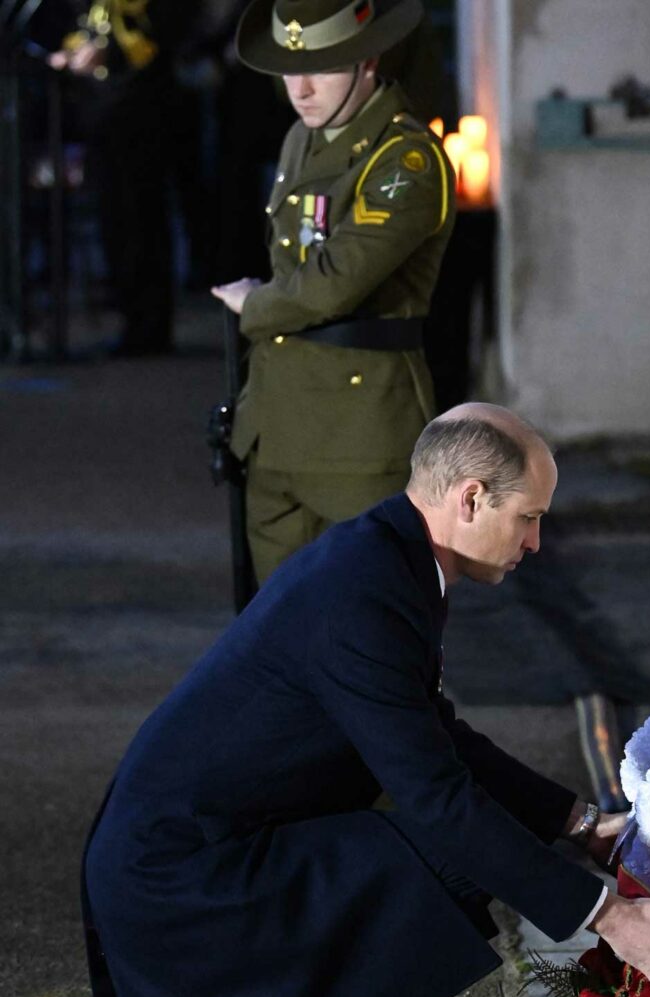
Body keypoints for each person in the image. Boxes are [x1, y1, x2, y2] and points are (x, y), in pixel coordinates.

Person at [82, 403, 650, 997]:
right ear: (468, 499)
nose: (535, 541)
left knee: (463, 842)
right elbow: (443, 800)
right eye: (528, 517)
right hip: (181, 885)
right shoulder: (364, 591)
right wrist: (615, 918)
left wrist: (581, 821)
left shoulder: (382, 558)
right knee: (453, 852)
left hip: (199, 856)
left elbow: (437, 734)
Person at [211, 0, 456, 585]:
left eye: (322, 66)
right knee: (277, 639)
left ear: (368, 61)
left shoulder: (407, 158)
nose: (300, 87)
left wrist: (256, 305)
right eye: (290, 69)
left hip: (357, 438)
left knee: (368, 637)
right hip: (276, 429)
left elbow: (333, 284)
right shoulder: (303, 137)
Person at [48, 0, 196, 356]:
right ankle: (133, 319)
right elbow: (81, 24)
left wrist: (106, 53)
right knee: (114, 220)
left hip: (142, 111)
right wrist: (72, 52)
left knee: (141, 220)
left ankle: (150, 328)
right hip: (102, 113)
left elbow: (162, 31)